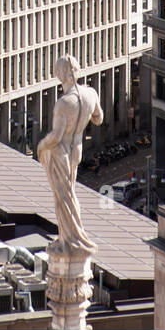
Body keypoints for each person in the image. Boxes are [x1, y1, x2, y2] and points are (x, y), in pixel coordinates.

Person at [37, 54, 103, 253]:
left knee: (63, 198)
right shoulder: (90, 93)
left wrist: (41, 145)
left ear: (59, 74)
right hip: (77, 148)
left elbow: (56, 137)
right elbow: (98, 119)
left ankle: (70, 239)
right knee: (70, 194)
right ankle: (73, 236)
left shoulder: (63, 103)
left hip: (60, 151)